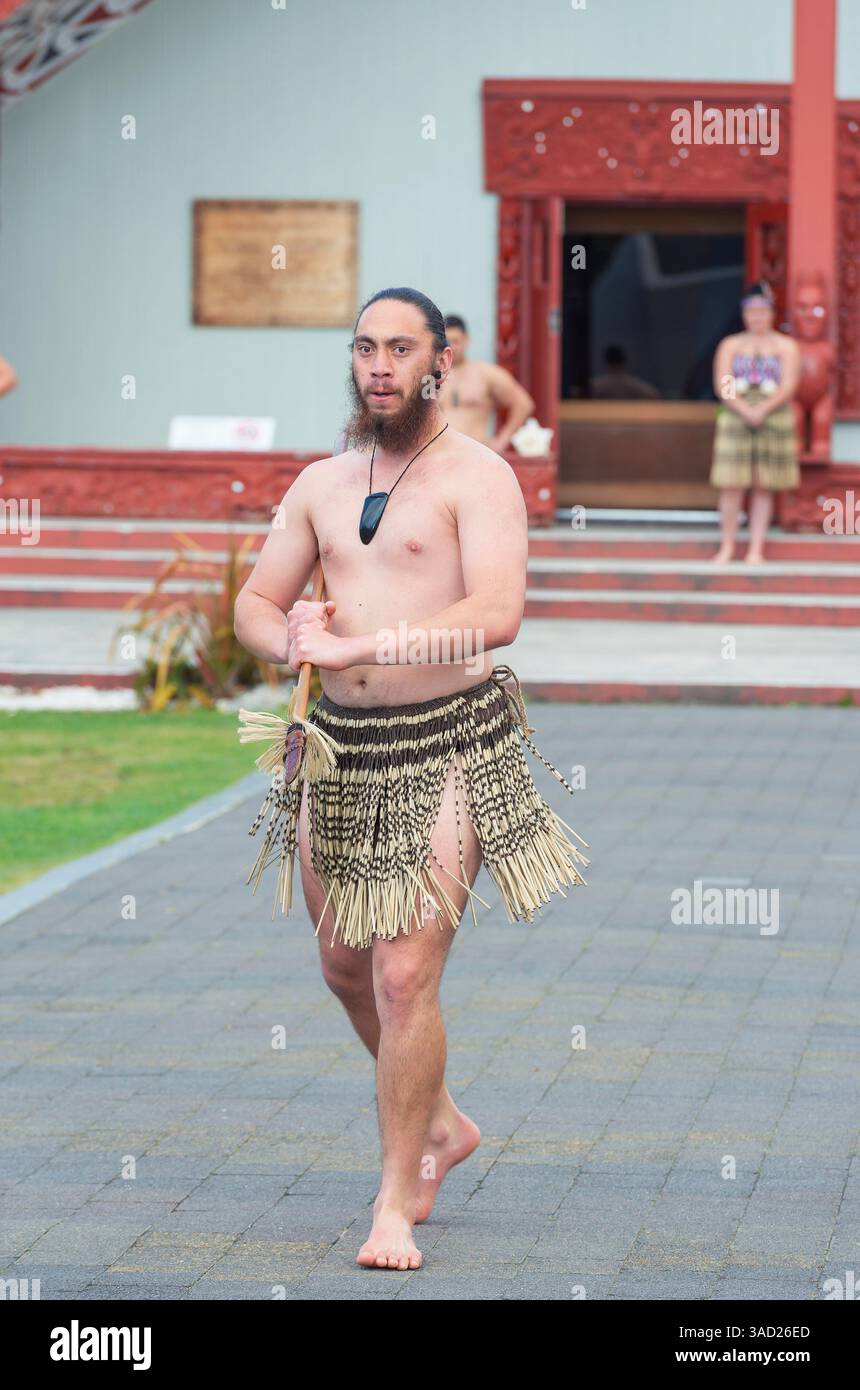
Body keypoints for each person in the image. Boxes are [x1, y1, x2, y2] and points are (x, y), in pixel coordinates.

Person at [233, 287, 590, 1273]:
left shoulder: (477, 477)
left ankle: (392, 1200)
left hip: (446, 742)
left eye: (399, 348)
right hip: (336, 746)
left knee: (402, 973)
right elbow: (257, 602)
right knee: (344, 966)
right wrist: (286, 636)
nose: (379, 365)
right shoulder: (321, 482)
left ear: (438, 361)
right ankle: (439, 1119)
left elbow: (499, 610)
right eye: (364, 347)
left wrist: (381, 637)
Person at [709, 282, 801, 564]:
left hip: (772, 413)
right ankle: (727, 546)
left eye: (763, 311)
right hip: (736, 413)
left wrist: (763, 408)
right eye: (752, 312)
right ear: (744, 314)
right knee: (732, 483)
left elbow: (789, 384)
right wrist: (742, 407)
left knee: (764, 484)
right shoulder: (731, 345)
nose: (757, 317)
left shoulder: (785, 346)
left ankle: (756, 549)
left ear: (771, 313)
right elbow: (723, 383)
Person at [437, 313, 535, 449]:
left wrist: (502, 440)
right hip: (440, 455)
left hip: (475, 454)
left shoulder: (485, 374)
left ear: (466, 339)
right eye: (448, 342)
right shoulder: (432, 377)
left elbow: (523, 404)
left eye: (456, 341)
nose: (452, 347)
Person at [589, 344, 660, 400]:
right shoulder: (639, 387)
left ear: (606, 362)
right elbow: (654, 395)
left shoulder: (596, 387)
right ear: (624, 361)